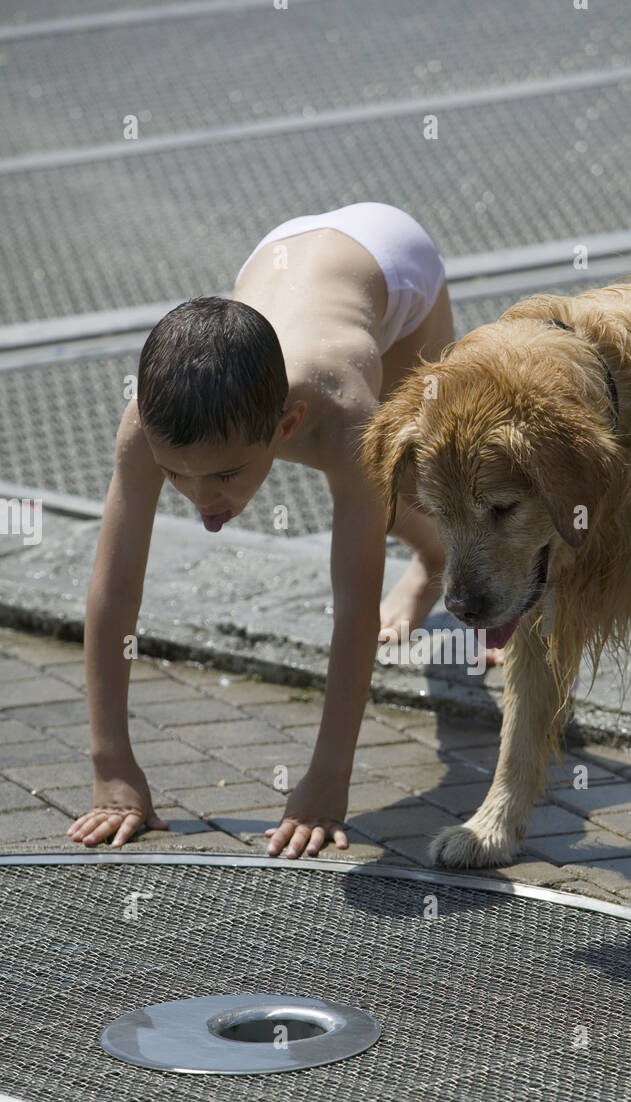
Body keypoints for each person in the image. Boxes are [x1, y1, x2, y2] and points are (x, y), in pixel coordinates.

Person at [68, 202, 456, 859]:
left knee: (425, 482)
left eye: (223, 475)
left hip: (394, 261)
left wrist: (328, 780)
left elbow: (355, 607)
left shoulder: (343, 412)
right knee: (385, 497)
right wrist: (112, 769)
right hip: (285, 255)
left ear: (286, 423)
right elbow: (114, 593)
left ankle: (445, 569)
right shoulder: (146, 423)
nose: (201, 499)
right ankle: (433, 565)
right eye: (176, 476)